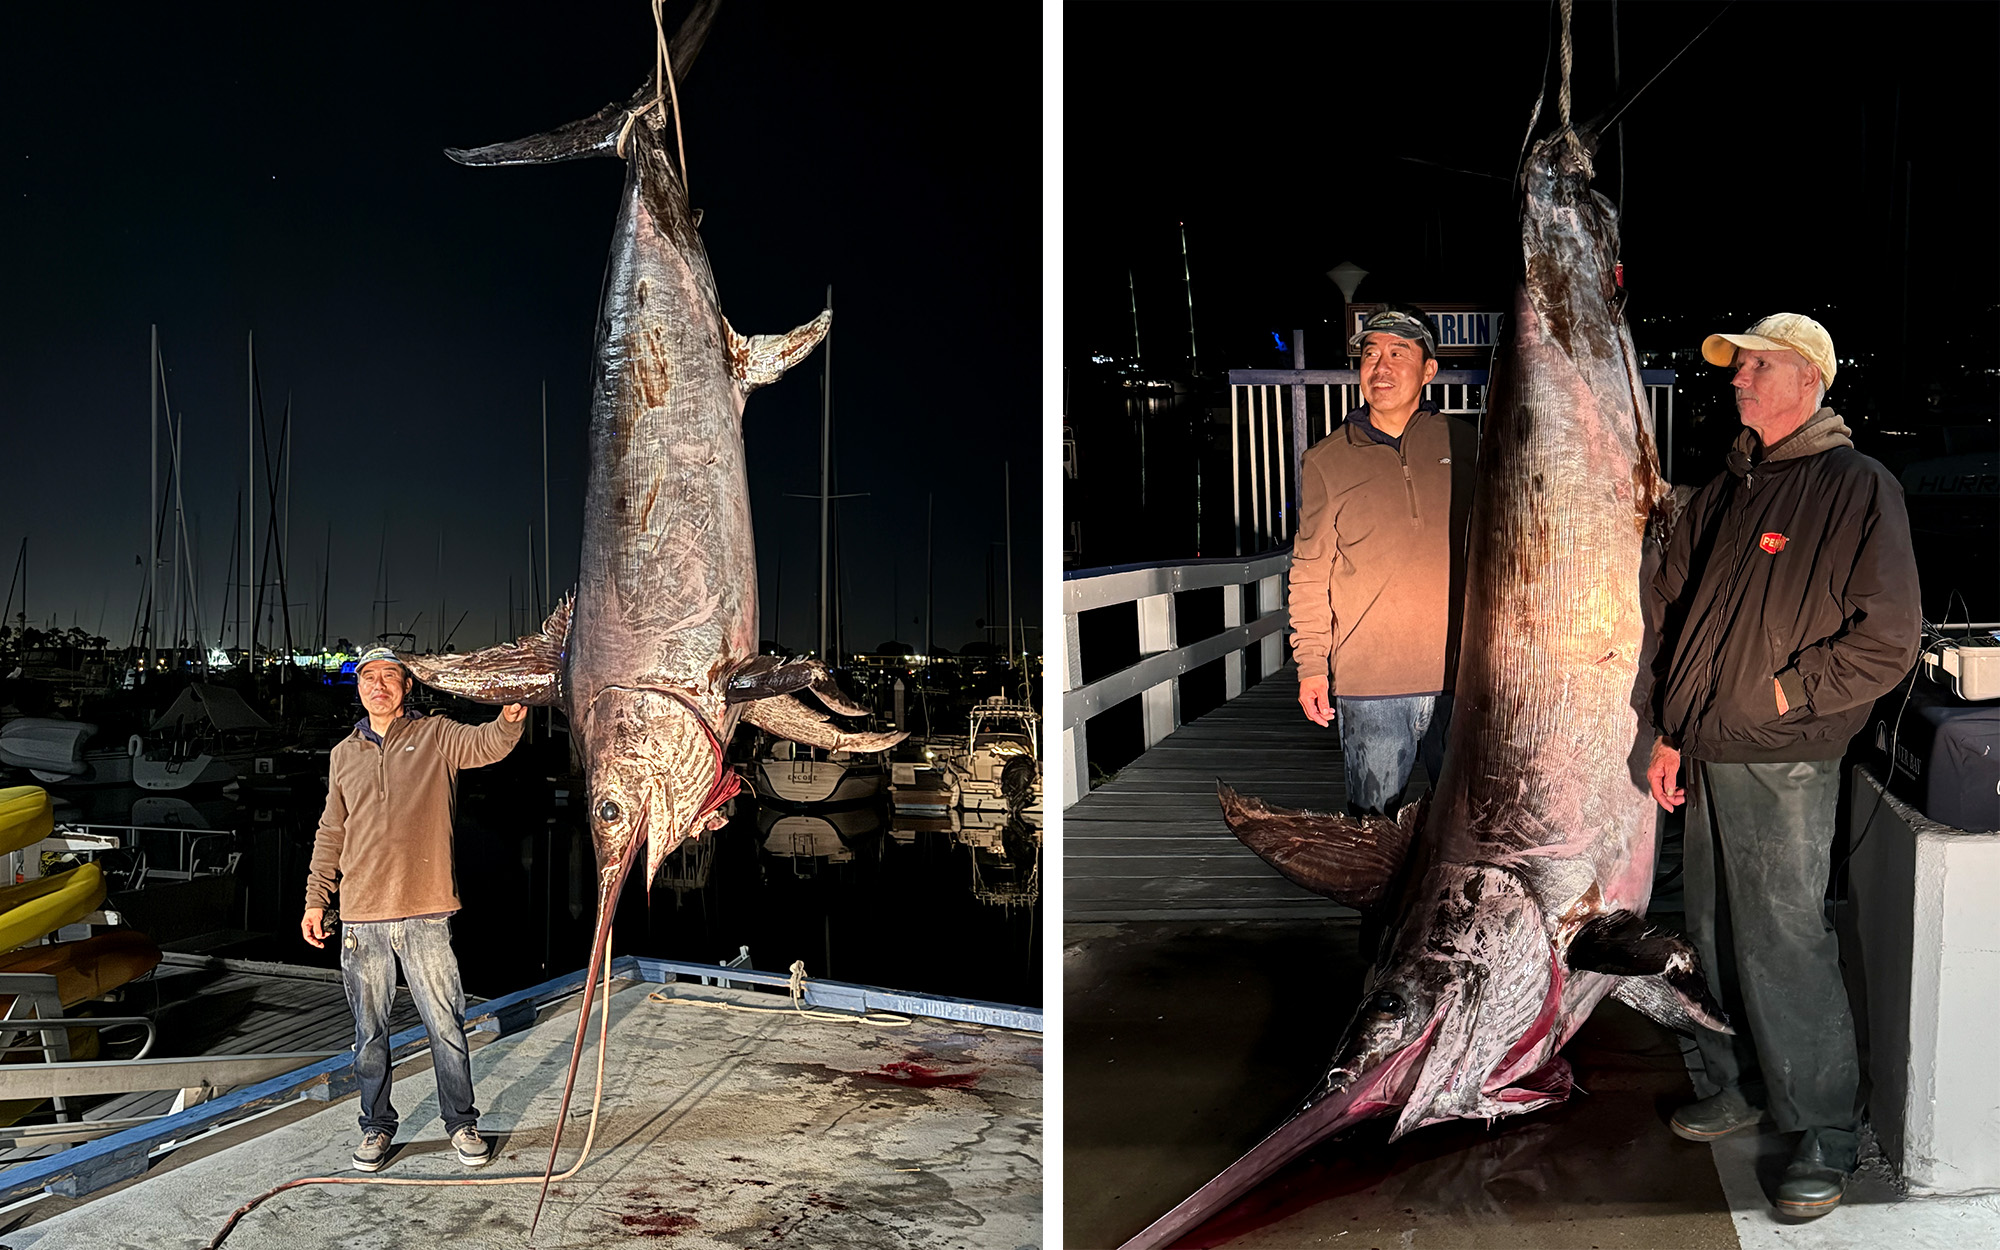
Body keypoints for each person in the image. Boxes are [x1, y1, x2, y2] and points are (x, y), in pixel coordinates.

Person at [1645, 313, 1920, 1219]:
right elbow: (1683, 623)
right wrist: (1672, 730)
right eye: (1738, 367)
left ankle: (1824, 1134)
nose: (1739, 379)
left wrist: (1778, 697)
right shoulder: (1730, 489)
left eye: (1757, 366)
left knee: (1785, 944)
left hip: (1788, 758)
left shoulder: (1856, 486)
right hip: (1711, 753)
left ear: (1808, 378)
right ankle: (1744, 1083)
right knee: (1717, 936)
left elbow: (1886, 642)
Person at [303, 646, 528, 1173]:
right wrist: (318, 899)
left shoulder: (437, 735)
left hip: (426, 912)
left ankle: (462, 1121)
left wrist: (510, 716)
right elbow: (330, 831)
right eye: (368, 677)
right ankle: (376, 1127)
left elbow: (488, 744)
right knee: (369, 1034)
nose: (377, 685)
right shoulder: (343, 753)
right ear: (358, 688)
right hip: (361, 917)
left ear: (406, 687)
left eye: (389, 676)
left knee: (446, 1025)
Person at [1288, 307, 1478, 816]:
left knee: (1466, 835)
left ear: (1429, 369)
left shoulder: (1470, 445)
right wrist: (1311, 667)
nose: (1381, 367)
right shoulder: (1326, 460)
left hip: (1462, 679)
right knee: (1372, 840)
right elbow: (1309, 572)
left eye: (1399, 353)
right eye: (1371, 354)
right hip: (1369, 686)